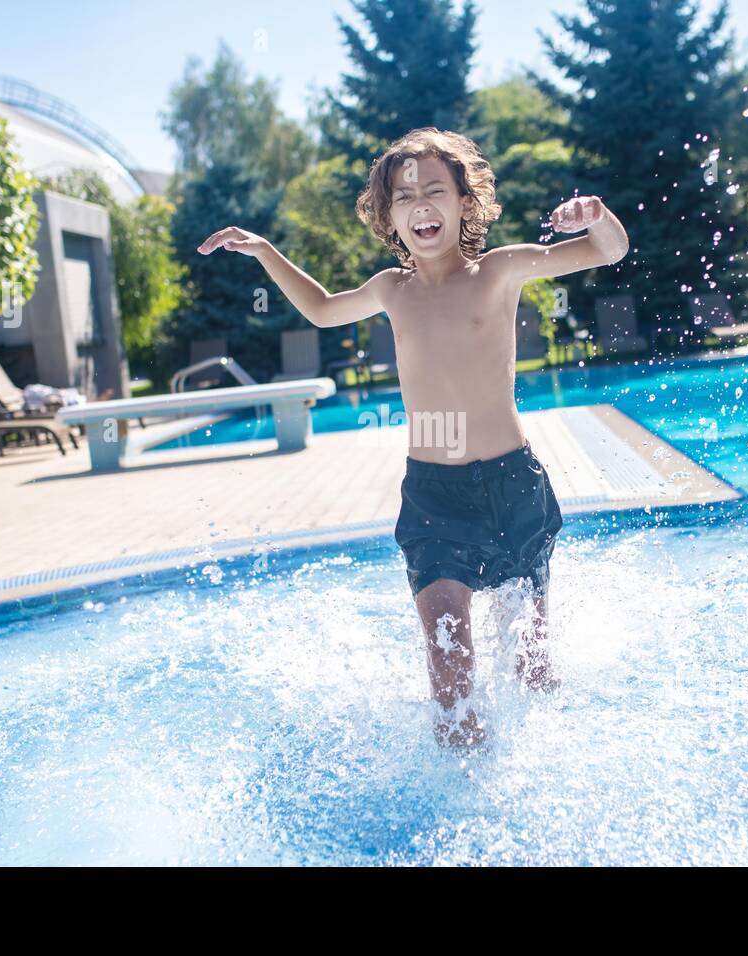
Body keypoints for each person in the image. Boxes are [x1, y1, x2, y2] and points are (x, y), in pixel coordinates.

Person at [199, 128, 629, 749]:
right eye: (404, 196)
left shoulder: (500, 271)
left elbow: (606, 252)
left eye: (435, 190)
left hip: (514, 486)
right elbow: (321, 308)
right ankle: (463, 796)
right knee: (450, 672)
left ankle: (557, 762)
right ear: (389, 216)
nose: (420, 204)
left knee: (531, 665)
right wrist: (265, 250)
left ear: (463, 202)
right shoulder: (389, 290)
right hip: (435, 499)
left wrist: (596, 215)